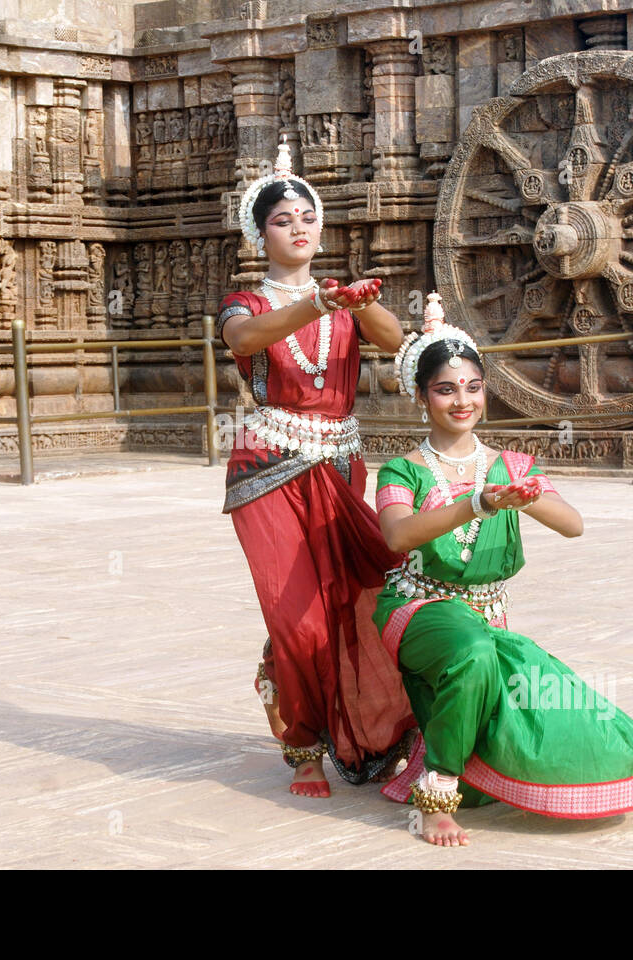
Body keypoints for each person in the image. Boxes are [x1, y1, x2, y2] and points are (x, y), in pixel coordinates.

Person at [372, 293, 633, 845]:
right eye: (445, 389)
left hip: (487, 614)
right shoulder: (401, 469)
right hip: (417, 606)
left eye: (473, 387)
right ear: (420, 396)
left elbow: (573, 525)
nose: (462, 400)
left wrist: (523, 495)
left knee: (555, 715)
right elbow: (397, 534)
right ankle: (436, 791)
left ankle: (473, 768)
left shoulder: (514, 466)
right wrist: (478, 503)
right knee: (473, 653)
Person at [217, 133, 416, 798]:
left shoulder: (343, 300)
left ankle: (384, 725)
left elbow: (398, 343)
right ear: (260, 234)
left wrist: (354, 302)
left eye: (307, 217)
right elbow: (244, 341)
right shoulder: (248, 303)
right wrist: (318, 304)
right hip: (267, 466)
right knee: (296, 615)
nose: (298, 227)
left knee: (363, 595)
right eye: (282, 219)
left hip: (340, 464)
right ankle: (302, 745)